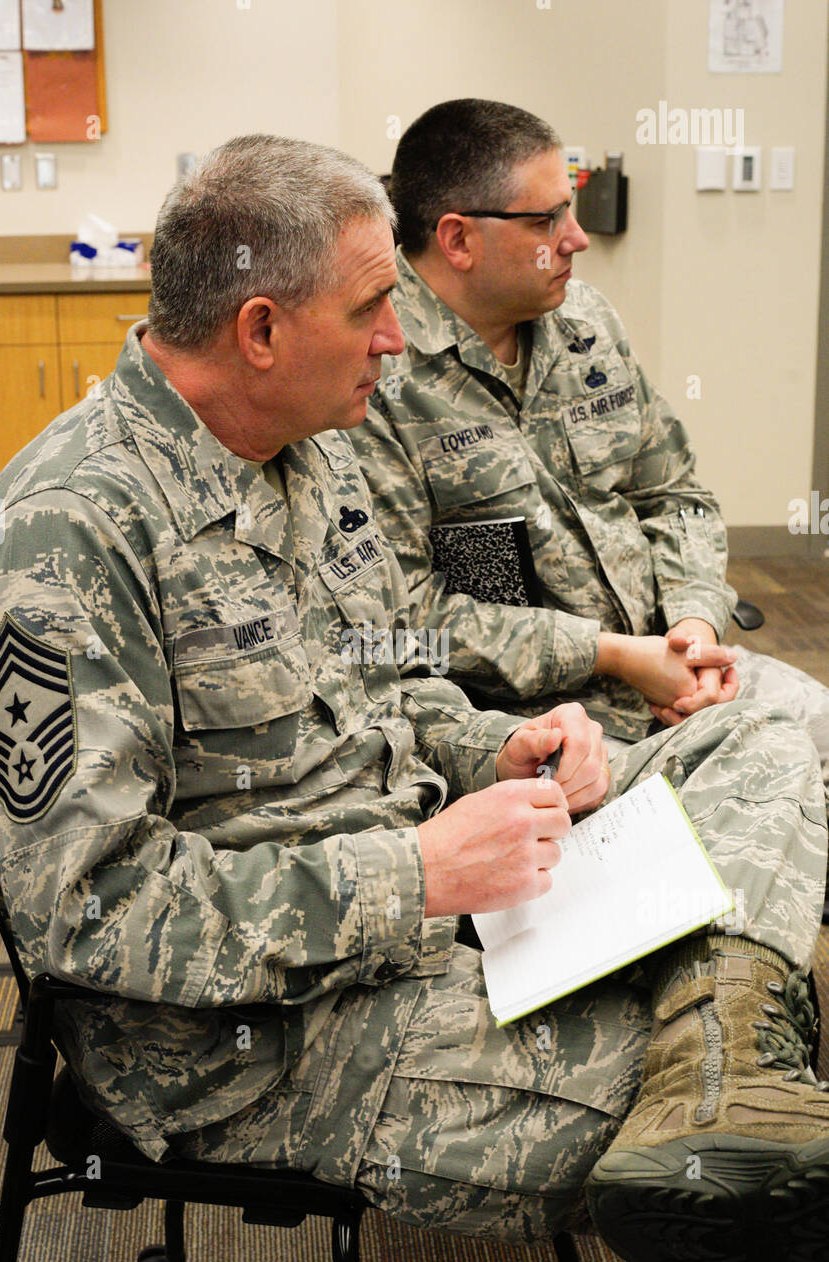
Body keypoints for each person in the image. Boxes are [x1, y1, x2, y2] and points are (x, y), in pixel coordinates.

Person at [0, 134, 826, 1262]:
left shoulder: (308, 454)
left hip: (440, 908)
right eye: (373, 304)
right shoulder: (64, 536)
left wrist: (499, 745)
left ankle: (711, 1036)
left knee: (770, 727)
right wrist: (414, 874)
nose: (398, 335)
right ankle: (712, 1048)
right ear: (261, 330)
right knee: (737, 1149)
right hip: (256, 1038)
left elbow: (383, 678)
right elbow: (89, 909)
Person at [351, 98, 829, 802]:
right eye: (547, 220)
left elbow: (674, 495)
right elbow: (405, 622)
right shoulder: (374, 373)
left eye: (570, 209)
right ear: (457, 240)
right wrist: (614, 656)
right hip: (528, 724)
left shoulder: (585, 322)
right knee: (759, 814)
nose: (575, 238)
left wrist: (692, 630)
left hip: (671, 666)